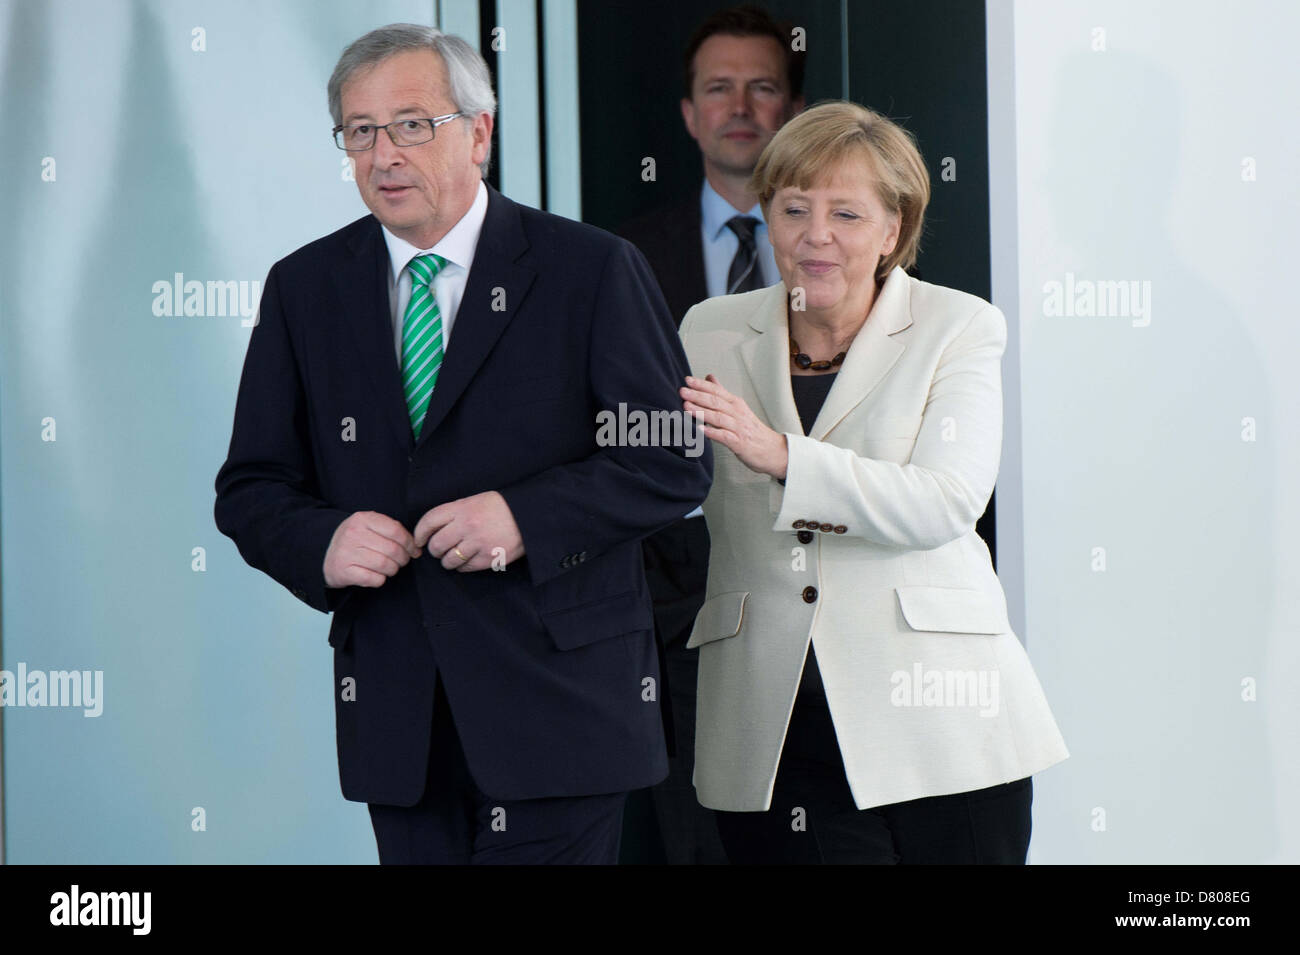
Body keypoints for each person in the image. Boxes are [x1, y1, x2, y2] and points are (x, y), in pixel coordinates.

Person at [213, 23, 711, 865]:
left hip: (563, 709)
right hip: (400, 719)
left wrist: (525, 517)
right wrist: (322, 538)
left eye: (412, 124)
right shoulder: (305, 287)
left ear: (479, 133)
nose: (383, 154)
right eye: (360, 131)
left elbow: (671, 458)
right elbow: (252, 486)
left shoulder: (590, 269)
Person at [678, 101, 1068, 864]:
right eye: (793, 209)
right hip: (774, 719)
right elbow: (669, 478)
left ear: (893, 230)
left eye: (846, 214)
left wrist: (784, 456)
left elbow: (947, 500)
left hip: (942, 719)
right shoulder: (710, 328)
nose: (815, 235)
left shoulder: (957, 325)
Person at [615, 3, 803, 866]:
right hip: (674, 591)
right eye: (717, 89)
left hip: (818, 574)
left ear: (792, 107)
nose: (740, 107)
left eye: (762, 87)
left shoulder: (844, 247)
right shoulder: (619, 257)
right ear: (688, 115)